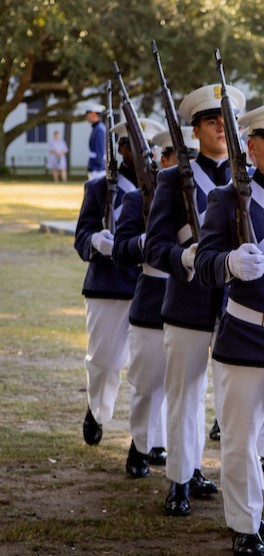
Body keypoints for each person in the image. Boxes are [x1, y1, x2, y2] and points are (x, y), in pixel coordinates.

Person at [195, 101, 264, 556]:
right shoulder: (226, 198)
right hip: (246, 333)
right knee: (240, 436)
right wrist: (227, 263)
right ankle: (245, 521)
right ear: (252, 146)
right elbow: (204, 265)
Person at [144, 83, 247, 517]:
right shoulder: (172, 180)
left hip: (234, 307)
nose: (222, 129)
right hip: (187, 304)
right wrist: (183, 256)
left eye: (228, 121)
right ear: (196, 129)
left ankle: (225, 481)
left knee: (230, 402)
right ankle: (180, 478)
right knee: (184, 395)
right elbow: (153, 249)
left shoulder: (248, 179)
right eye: (211, 121)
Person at [73, 116, 139, 447]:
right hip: (107, 284)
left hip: (149, 287)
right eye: (130, 146)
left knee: (150, 369)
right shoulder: (99, 187)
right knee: (106, 361)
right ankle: (97, 410)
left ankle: (147, 440)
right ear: (120, 149)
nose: (138, 153)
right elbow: (81, 236)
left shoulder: (164, 186)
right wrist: (95, 242)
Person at [109, 118, 169, 477]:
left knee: (186, 392)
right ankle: (141, 442)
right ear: (165, 160)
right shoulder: (137, 199)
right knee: (147, 382)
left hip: (197, 303)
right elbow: (120, 250)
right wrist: (145, 243)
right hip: (152, 300)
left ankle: (178, 457)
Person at [85, 104, 107, 180]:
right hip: (96, 168)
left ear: (93, 114)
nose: (86, 116)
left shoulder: (99, 130)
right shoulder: (97, 128)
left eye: (87, 113)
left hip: (98, 170)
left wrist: (96, 167)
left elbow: (100, 151)